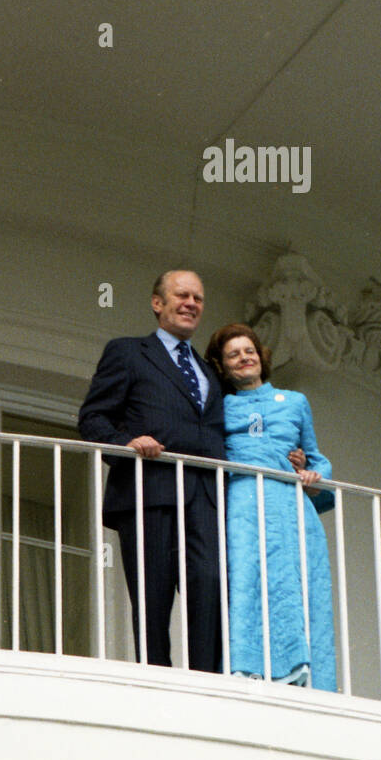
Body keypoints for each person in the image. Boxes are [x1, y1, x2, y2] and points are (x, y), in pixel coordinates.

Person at [78, 269, 225, 672]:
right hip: (149, 492)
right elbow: (93, 417)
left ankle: (208, 686)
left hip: (206, 498)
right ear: (157, 303)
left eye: (198, 297)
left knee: (210, 589)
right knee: (153, 596)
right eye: (181, 295)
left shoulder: (211, 371)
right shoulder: (127, 352)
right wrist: (125, 445)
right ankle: (156, 681)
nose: (191, 303)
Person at [205, 323, 337, 691]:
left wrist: (310, 473)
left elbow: (318, 460)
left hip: (288, 505)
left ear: (261, 357)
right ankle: (245, 668)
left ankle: (299, 670)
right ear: (223, 367)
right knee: (246, 577)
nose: (244, 358)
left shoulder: (295, 401)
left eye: (249, 351)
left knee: (293, 582)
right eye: (234, 354)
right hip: (243, 500)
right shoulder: (221, 406)